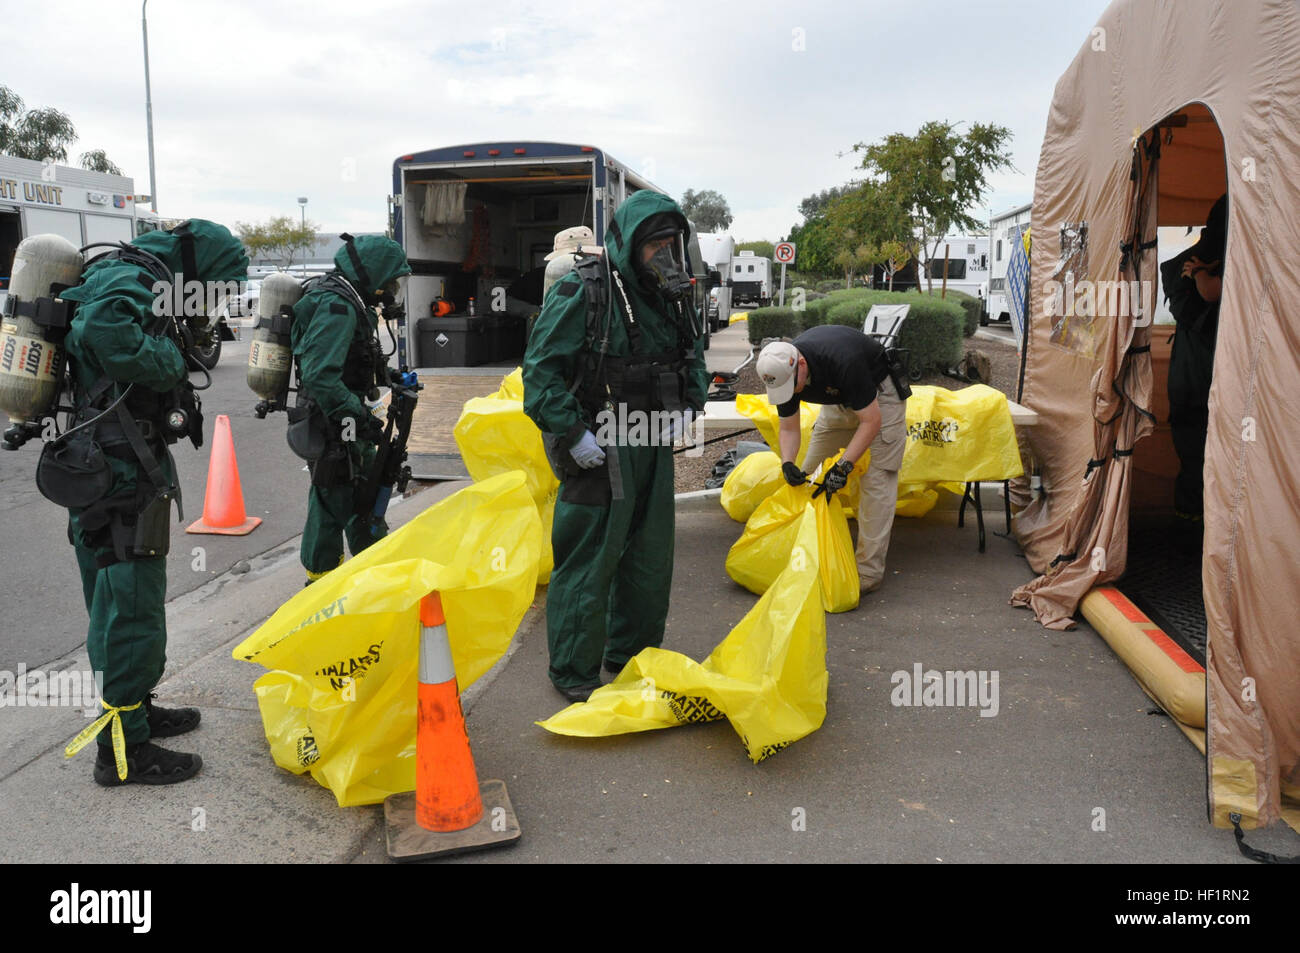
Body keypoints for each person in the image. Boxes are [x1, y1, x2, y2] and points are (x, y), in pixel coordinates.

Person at [59, 219, 248, 786]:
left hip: (104, 465)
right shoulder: (133, 279)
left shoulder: (127, 272)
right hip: (120, 475)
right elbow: (104, 331)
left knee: (115, 601)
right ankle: (123, 752)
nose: (215, 300)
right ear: (199, 268)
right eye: (217, 286)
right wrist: (171, 359)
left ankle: (134, 711)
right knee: (132, 609)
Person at [523, 192, 707, 702]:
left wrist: (690, 403)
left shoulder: (672, 295)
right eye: (655, 245)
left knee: (650, 558)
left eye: (673, 243)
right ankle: (574, 671)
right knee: (590, 560)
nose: (666, 255)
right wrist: (572, 432)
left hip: (651, 441)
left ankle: (633, 656)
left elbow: (692, 351)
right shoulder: (584, 293)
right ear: (629, 244)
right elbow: (540, 374)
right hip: (599, 445)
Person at [292, 233, 412, 584]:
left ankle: (362, 573)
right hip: (332, 423)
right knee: (341, 497)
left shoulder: (350, 302)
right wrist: (361, 419)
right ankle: (333, 582)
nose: (392, 290)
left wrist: (390, 376)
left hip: (340, 419)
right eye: (390, 281)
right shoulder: (338, 307)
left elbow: (353, 360)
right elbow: (321, 376)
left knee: (352, 490)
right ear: (373, 276)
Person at [757, 324, 908, 594]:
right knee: (808, 478)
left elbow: (871, 421)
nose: (789, 394)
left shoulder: (842, 360)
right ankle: (806, 557)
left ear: (801, 364)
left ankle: (867, 573)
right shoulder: (782, 374)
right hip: (836, 399)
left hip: (879, 396)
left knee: (876, 481)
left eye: (792, 386)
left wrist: (844, 466)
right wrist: (787, 463)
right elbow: (789, 427)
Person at [1160, 193, 1226, 520]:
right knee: (1200, 458)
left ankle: (1193, 525)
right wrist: (1202, 273)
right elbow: (1208, 295)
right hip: (1201, 380)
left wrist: (1200, 272)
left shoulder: (1193, 265)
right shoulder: (1222, 259)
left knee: (1196, 457)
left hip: (1193, 379)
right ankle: (1197, 526)